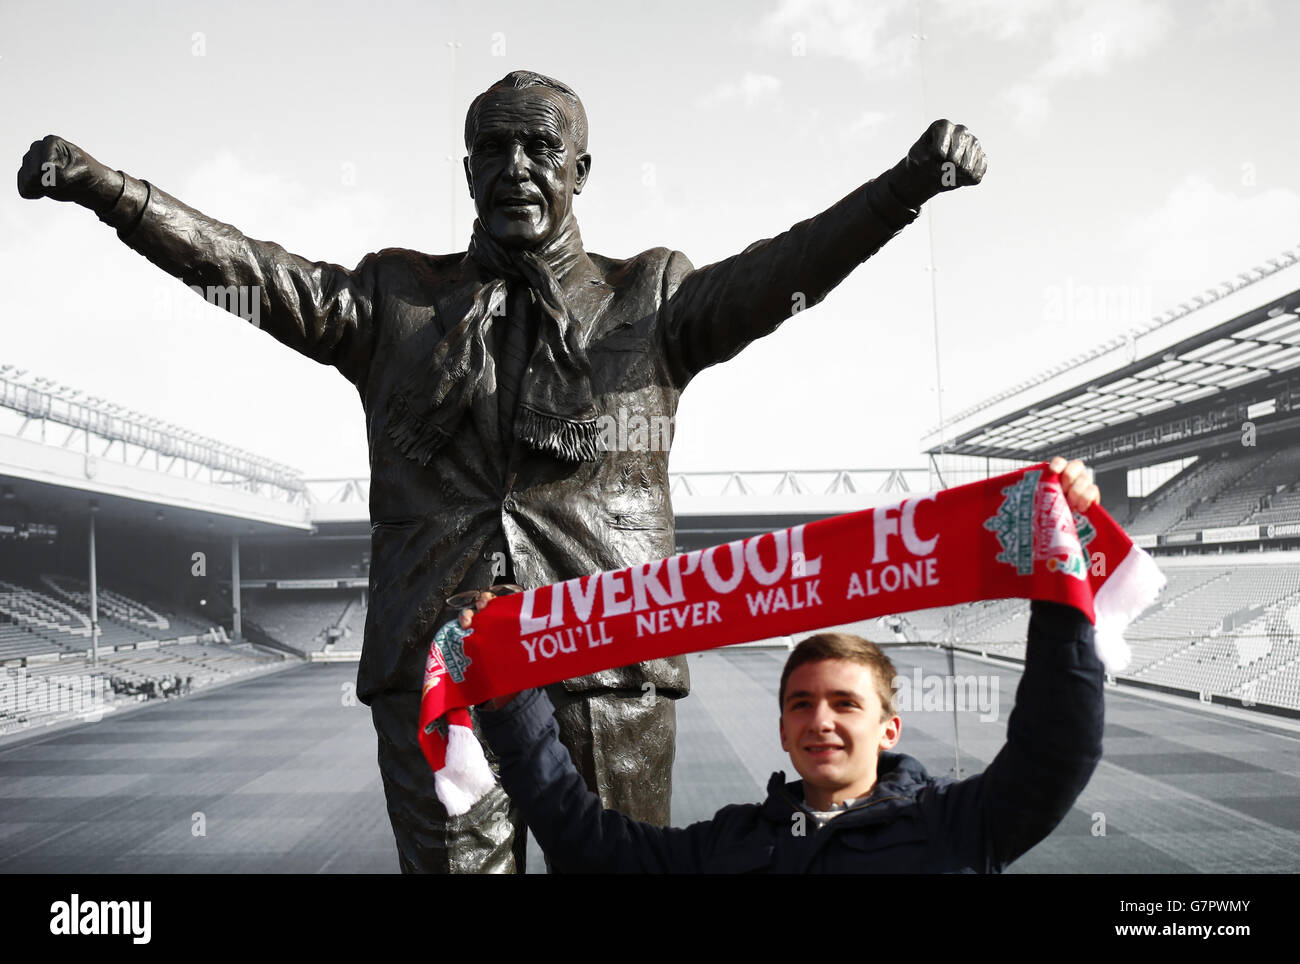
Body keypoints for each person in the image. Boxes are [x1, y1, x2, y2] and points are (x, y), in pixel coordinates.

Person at [17, 71, 986, 873]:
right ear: (467, 167)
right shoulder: (396, 298)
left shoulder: (650, 297)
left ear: (581, 169)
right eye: (495, 148)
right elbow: (257, 275)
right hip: (440, 667)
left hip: (611, 660)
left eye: (540, 148)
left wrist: (904, 187)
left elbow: (788, 271)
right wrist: (115, 194)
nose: (516, 167)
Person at [468, 458, 1102, 873]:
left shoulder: (956, 825)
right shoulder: (730, 843)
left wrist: (1061, 590)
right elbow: (590, 847)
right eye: (802, 703)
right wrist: (510, 692)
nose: (820, 720)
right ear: (783, 730)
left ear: (890, 729)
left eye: (845, 703)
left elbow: (1056, 751)